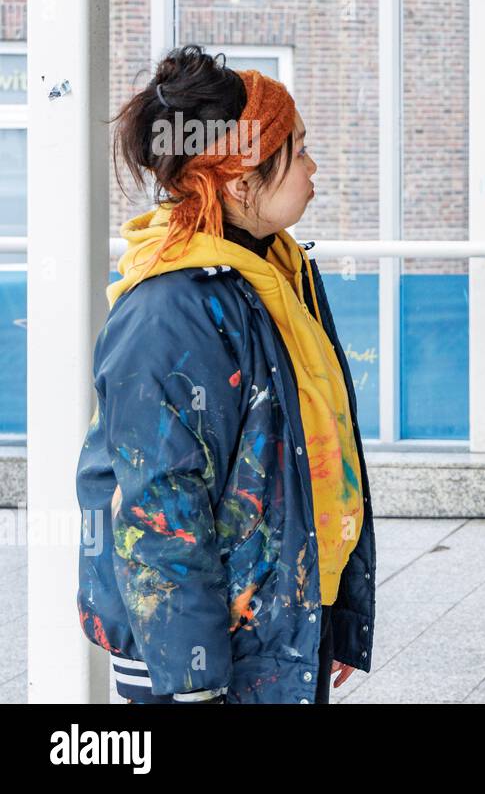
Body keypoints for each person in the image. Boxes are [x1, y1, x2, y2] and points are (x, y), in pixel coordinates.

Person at [76, 46, 376, 703]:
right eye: (296, 151)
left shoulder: (273, 274)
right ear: (241, 183)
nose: (312, 165)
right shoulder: (170, 310)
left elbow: (307, 455)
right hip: (202, 661)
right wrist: (193, 684)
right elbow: (159, 508)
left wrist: (325, 616)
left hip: (278, 624)